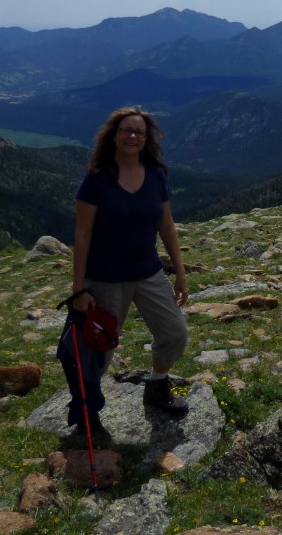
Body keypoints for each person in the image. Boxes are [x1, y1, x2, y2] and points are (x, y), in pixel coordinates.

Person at [67, 106, 190, 441]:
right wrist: (79, 290)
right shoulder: (97, 178)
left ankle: (157, 384)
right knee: (99, 351)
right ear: (114, 135)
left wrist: (180, 272)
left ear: (147, 139)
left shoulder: (156, 174)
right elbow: (82, 235)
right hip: (104, 278)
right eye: (126, 130)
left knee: (174, 332)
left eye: (139, 131)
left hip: (148, 272)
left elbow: (166, 225)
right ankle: (87, 415)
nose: (133, 136)